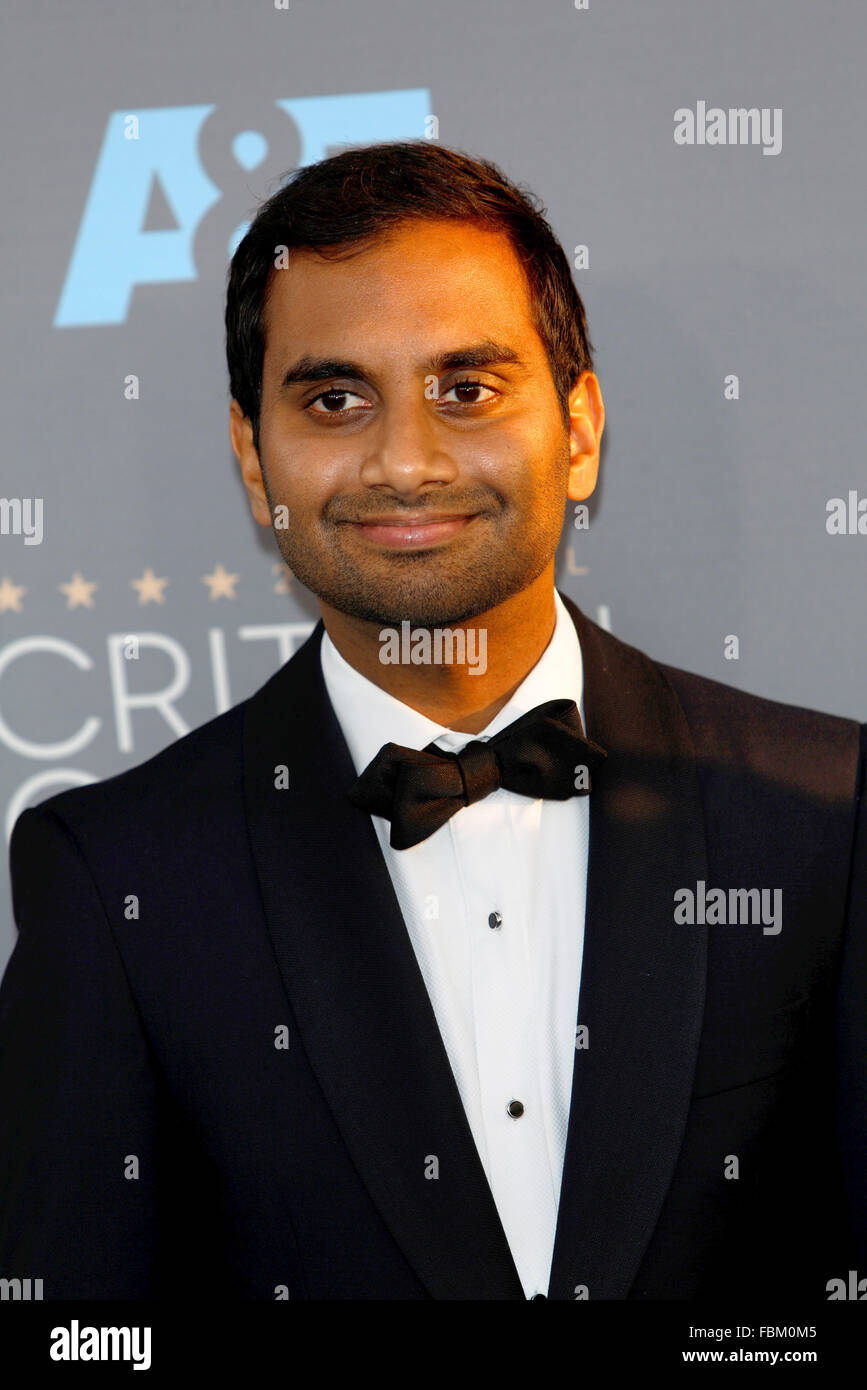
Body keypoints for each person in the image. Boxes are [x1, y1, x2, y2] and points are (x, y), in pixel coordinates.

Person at [0, 141, 864, 1301]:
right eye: (335, 398)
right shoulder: (117, 881)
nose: (406, 462)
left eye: (468, 388)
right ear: (256, 463)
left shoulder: (824, 816)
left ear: (580, 430)